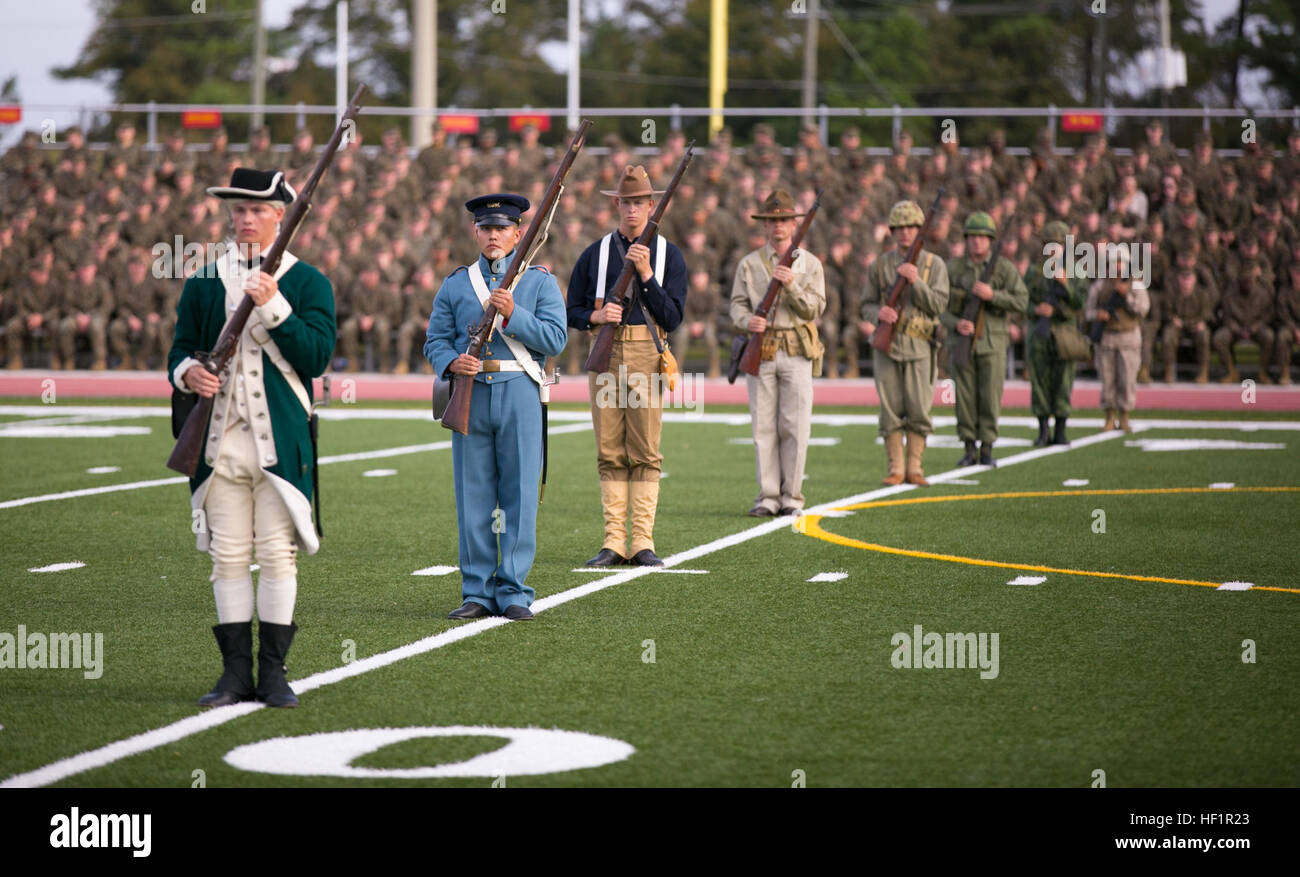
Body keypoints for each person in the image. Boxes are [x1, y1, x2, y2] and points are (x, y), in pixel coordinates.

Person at [167, 169, 335, 708]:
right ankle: (234, 675)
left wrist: (274, 305)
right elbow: (180, 350)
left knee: (277, 557)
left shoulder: (308, 283)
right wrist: (188, 373)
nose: (244, 219)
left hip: (279, 445)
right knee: (229, 559)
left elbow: (315, 357)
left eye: (257, 210)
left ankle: (274, 674)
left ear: (281, 216)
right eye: (238, 210)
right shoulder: (203, 281)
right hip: (218, 443)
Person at [425, 193, 567, 620]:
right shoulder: (455, 284)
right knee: (474, 495)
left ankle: (514, 591)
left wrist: (513, 315)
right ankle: (477, 590)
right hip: (471, 391)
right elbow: (435, 339)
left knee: (519, 494)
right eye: (486, 228)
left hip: (520, 390)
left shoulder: (539, 282)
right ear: (475, 232)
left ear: (518, 234)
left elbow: (555, 339)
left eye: (502, 228)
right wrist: (450, 361)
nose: (493, 236)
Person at [566, 166, 687, 567]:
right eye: (626, 202)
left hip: (645, 356)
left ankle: (642, 542)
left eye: (639, 202)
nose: (632, 209)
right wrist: (596, 320)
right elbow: (572, 310)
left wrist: (648, 276)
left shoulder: (669, 255)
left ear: (652, 207)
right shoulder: (594, 254)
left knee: (646, 452)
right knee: (609, 451)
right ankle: (614, 540)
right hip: (606, 355)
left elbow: (672, 317)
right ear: (616, 205)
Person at [729, 189, 826, 516]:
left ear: (794, 223)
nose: (779, 226)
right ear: (765, 226)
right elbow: (736, 306)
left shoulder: (809, 264)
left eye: (784, 220)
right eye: (772, 221)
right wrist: (748, 321)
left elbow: (815, 308)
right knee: (763, 428)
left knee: (795, 427)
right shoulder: (749, 264)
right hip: (762, 348)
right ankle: (768, 497)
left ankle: (792, 497)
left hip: (797, 349)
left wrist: (792, 285)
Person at [859, 200, 950, 486]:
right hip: (888, 346)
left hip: (920, 345)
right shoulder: (880, 264)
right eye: (899, 228)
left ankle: (915, 468)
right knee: (890, 407)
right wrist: (878, 314)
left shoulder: (934, 265)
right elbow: (866, 305)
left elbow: (938, 305)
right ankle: (895, 468)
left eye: (911, 227)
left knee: (919, 408)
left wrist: (917, 282)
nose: (905, 233)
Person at [941, 211, 1028, 467]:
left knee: (990, 397)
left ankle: (987, 446)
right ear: (966, 239)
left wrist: (994, 296)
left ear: (990, 241)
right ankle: (969, 447)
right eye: (973, 237)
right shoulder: (954, 268)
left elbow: (1022, 301)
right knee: (965, 398)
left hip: (992, 343)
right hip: (962, 342)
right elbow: (939, 305)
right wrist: (956, 323)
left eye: (983, 237)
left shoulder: (1003, 268)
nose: (977, 242)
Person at [1025, 220, 1089, 446]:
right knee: (1040, 382)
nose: (1054, 249)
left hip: (1064, 332)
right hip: (1040, 331)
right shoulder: (1034, 271)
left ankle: (1060, 430)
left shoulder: (1075, 271)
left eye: (1059, 245)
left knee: (1063, 381)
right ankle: (1043, 430)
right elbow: (1021, 299)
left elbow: (1081, 302)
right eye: (1050, 245)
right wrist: (1035, 309)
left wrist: (1066, 286)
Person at [1086, 259, 1150, 432]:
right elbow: (1088, 311)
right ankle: (1109, 417)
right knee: (1107, 380)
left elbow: (1143, 309)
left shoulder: (1135, 285)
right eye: (1114, 264)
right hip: (1107, 338)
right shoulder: (1100, 286)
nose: (1118, 268)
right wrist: (1098, 315)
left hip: (1128, 338)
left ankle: (1124, 417)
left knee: (1127, 380)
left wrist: (1126, 297)